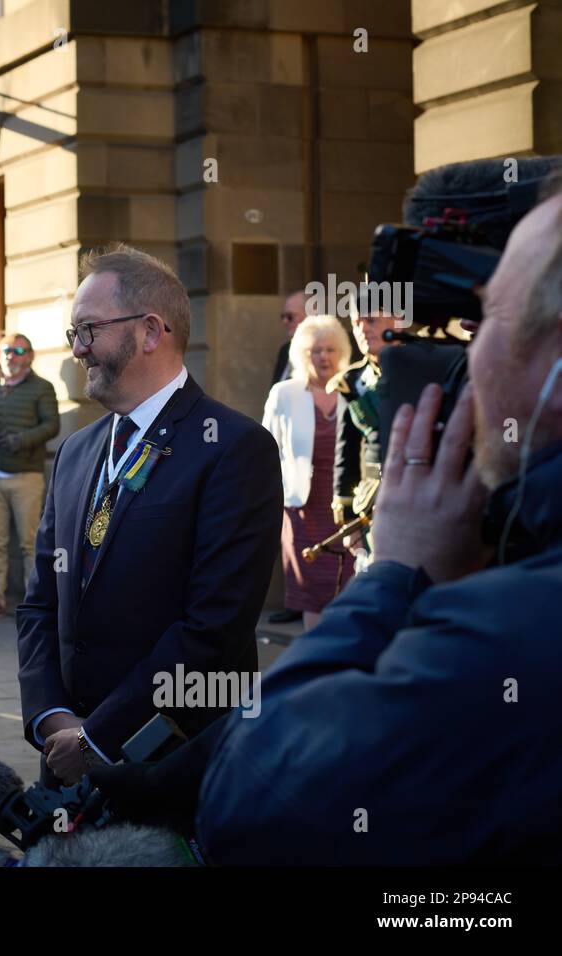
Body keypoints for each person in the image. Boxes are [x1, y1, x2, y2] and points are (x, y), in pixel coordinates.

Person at [196, 186, 562, 864]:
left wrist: (395, 576)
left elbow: (254, 794)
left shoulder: (516, 625)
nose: (468, 362)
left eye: (490, 323)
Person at [17, 245, 281, 786]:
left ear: (151, 331)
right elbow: (40, 601)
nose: (77, 350)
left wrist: (99, 736)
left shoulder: (234, 447)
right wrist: (53, 720)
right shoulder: (75, 451)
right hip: (65, 759)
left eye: (88, 330)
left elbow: (214, 627)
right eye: (74, 333)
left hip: (170, 767)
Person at [262, 315, 354, 630]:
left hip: (348, 506)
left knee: (351, 586)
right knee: (312, 589)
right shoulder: (284, 393)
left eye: (330, 349)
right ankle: (316, 663)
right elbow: (266, 450)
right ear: (303, 354)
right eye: (315, 350)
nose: (323, 357)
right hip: (303, 508)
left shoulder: (353, 388)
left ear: (340, 352)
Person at [0, 332, 60, 622]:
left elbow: (52, 425)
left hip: (27, 476)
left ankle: (37, 602)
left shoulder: (42, 388)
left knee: (30, 543)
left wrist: (21, 440)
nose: (12, 355)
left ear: (30, 356)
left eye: (20, 350)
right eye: (7, 350)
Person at [328, 307, 400, 567]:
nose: (363, 329)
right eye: (357, 322)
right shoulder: (352, 381)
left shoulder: (426, 367)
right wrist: (348, 519)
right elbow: (345, 452)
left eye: (372, 320)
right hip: (372, 502)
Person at [270, 289, 307, 386]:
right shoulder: (285, 350)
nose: (285, 321)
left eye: (290, 316)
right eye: (283, 316)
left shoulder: (323, 352)